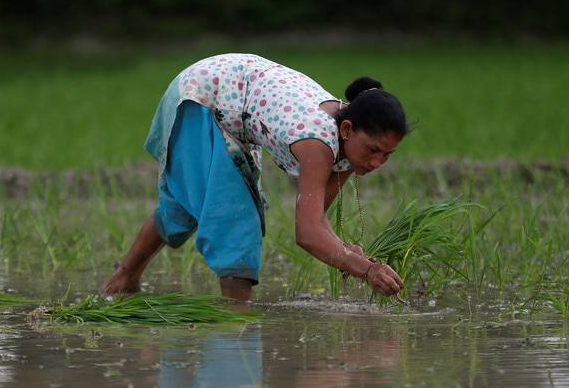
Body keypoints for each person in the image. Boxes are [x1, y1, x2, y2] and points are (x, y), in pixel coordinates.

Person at [100, 53, 408, 302]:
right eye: (373, 150)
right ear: (347, 130)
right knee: (237, 223)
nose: (377, 162)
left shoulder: (351, 149)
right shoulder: (319, 142)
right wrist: (366, 270)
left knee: (186, 205)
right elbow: (307, 234)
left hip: (235, 109)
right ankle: (235, 333)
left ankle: (123, 280)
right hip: (205, 96)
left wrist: (343, 249)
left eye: (387, 155)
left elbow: (316, 218)